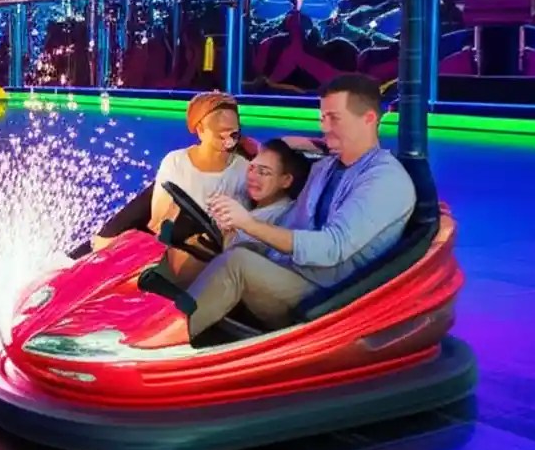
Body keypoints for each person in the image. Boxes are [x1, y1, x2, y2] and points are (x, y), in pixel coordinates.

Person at [142, 74, 416, 342]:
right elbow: (291, 221)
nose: (324, 127)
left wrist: (249, 224)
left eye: (334, 119)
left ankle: (158, 343)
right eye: (322, 118)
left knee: (238, 264)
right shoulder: (327, 168)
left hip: (331, 298)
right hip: (298, 272)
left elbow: (333, 248)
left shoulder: (385, 180)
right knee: (232, 250)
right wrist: (234, 230)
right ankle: (163, 321)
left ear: (368, 119)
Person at [85, 91, 250, 255]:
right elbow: (159, 221)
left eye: (233, 134)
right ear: (200, 130)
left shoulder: (243, 169)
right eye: (220, 134)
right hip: (175, 247)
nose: (228, 141)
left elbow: (242, 227)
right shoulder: (176, 162)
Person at [152, 138, 312, 287]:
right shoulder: (257, 206)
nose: (252, 177)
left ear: (286, 180)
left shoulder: (282, 216)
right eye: (251, 168)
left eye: (263, 172)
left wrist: (225, 231)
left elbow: (237, 255)